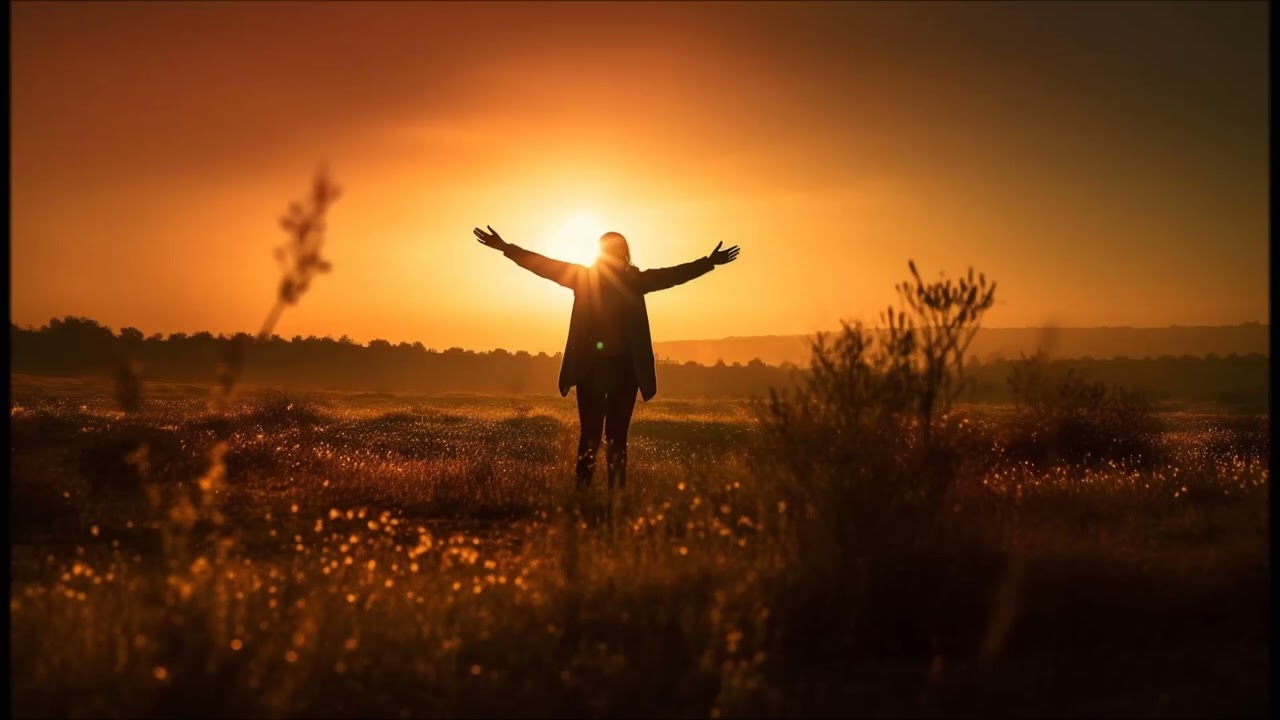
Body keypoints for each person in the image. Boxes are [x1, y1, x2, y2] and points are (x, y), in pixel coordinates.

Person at [473, 225, 740, 490]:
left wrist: (708, 263)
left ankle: (598, 493)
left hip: (614, 371)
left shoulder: (604, 279)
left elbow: (543, 265)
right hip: (602, 370)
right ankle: (600, 493)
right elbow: (542, 265)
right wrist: (506, 248)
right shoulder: (615, 280)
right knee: (604, 436)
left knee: (605, 436)